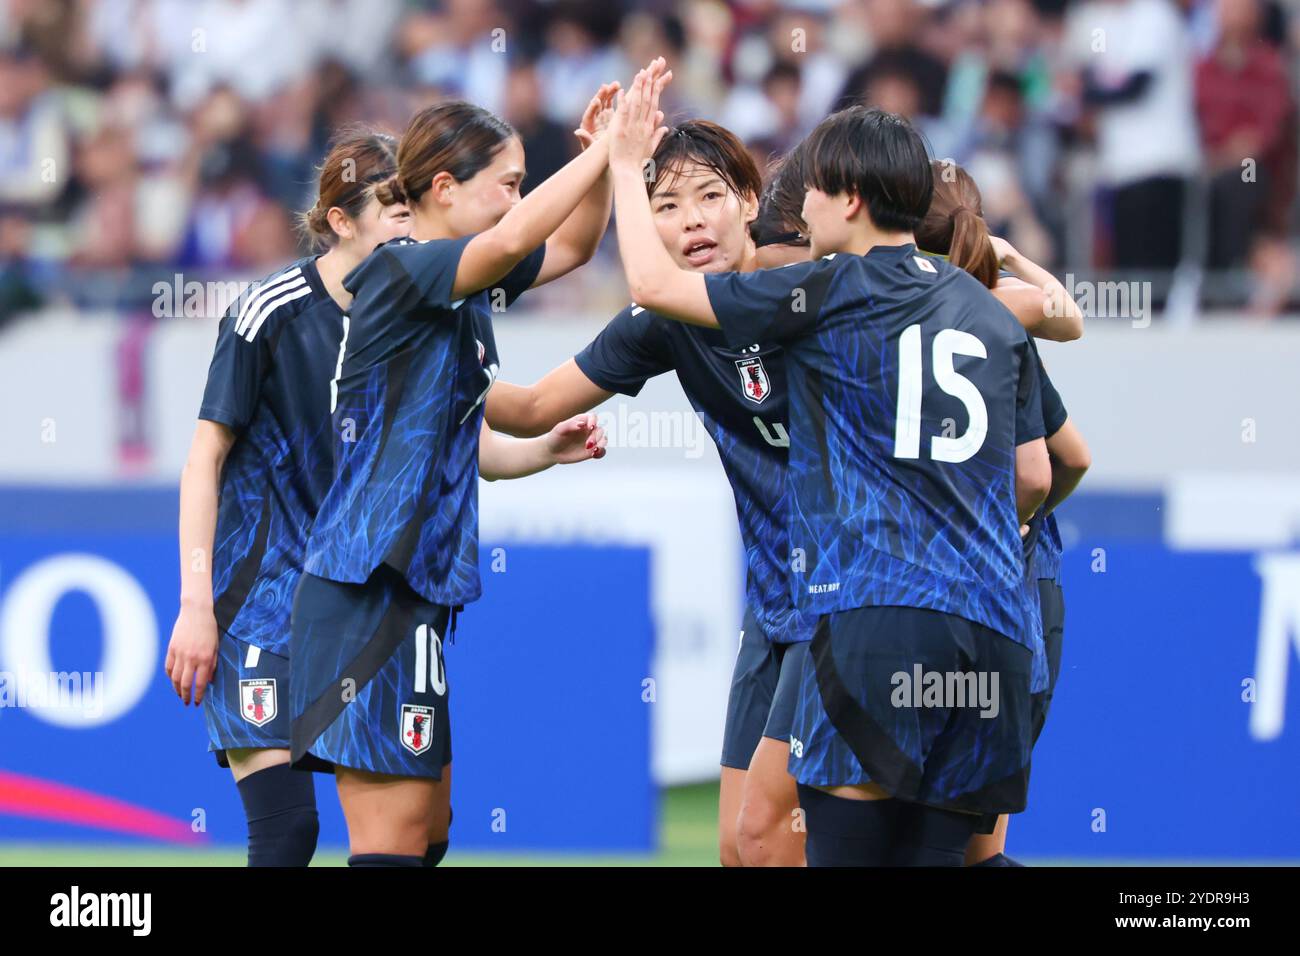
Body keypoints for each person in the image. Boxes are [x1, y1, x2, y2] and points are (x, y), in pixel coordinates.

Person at [607, 67, 1052, 866]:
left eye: (809, 190)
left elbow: (650, 283)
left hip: (881, 618)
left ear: (848, 198)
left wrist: (620, 164)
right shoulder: (979, 303)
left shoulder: (827, 290)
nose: (797, 208)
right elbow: (1040, 472)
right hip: (996, 630)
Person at [288, 83, 624, 867]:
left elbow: (570, 248)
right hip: (366, 589)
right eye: (508, 183)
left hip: (417, 589)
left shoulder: (459, 290)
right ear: (444, 187)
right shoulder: (404, 269)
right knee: (392, 843)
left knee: (430, 833)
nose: (517, 199)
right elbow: (509, 247)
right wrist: (612, 152)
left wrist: (597, 165)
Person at [486, 121, 815, 867]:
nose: (693, 218)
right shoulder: (666, 321)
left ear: (752, 201)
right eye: (665, 204)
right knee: (739, 848)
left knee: (776, 837)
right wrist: (418, 371)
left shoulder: (806, 283)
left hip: (848, 596)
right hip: (774, 608)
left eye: (711, 196)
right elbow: (535, 406)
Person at [164, 129, 412, 866]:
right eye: (392, 205)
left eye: (413, 207)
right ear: (342, 219)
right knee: (288, 830)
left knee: (412, 834)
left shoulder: (409, 316)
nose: (408, 222)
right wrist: (195, 603)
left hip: (356, 601)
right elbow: (203, 458)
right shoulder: (267, 313)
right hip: (260, 600)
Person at [915, 159, 1092, 865]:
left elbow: (1039, 469)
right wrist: (1009, 252)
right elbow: (1066, 459)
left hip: (945, 600)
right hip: (1025, 590)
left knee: (936, 841)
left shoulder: (887, 319)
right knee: (975, 846)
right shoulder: (998, 309)